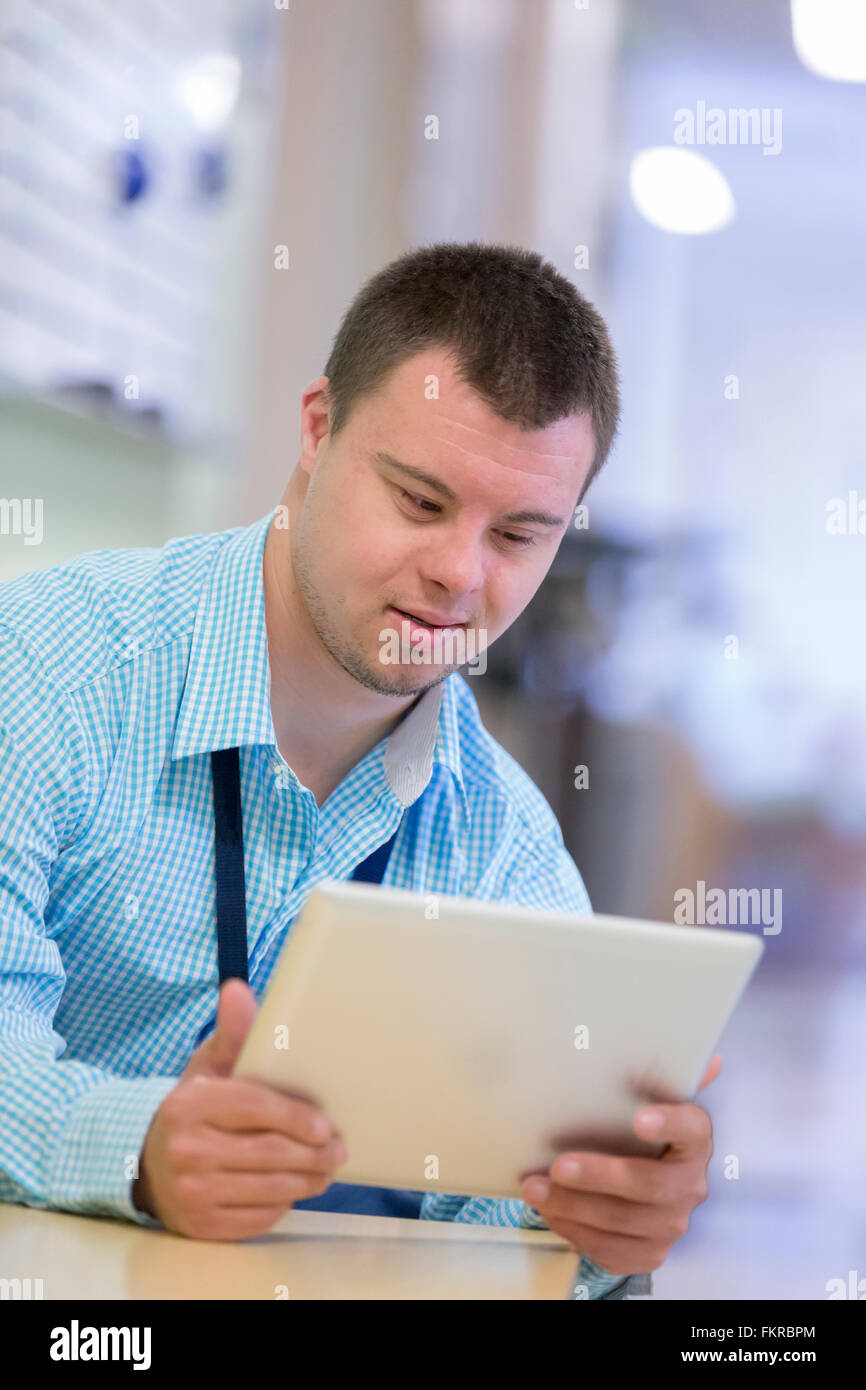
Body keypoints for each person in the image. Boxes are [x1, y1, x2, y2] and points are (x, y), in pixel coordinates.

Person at [0, 241, 717, 1300]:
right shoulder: (49, 663)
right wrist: (137, 1145)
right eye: (420, 502)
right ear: (317, 427)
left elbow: (511, 1218)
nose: (458, 575)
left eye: (519, 533)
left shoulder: (504, 845)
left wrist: (601, 1232)